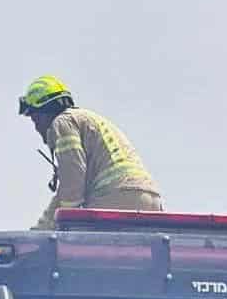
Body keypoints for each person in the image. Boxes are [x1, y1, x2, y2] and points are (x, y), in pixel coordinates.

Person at [19, 75, 164, 229]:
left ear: (45, 113)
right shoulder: (88, 120)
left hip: (113, 199)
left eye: (35, 120)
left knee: (77, 246)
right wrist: (40, 228)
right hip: (151, 201)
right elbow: (66, 191)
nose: (36, 128)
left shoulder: (62, 123)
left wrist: (63, 225)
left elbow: (72, 181)